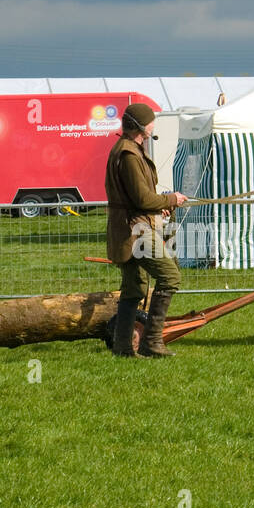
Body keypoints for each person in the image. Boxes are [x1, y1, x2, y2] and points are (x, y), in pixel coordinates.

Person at [104, 103, 188, 357]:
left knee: (134, 288)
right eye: (151, 121)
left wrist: (158, 206)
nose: (154, 125)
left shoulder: (128, 149)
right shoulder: (129, 154)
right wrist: (171, 199)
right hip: (136, 230)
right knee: (170, 276)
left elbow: (140, 198)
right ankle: (152, 342)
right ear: (141, 126)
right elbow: (142, 199)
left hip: (131, 226)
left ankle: (122, 348)